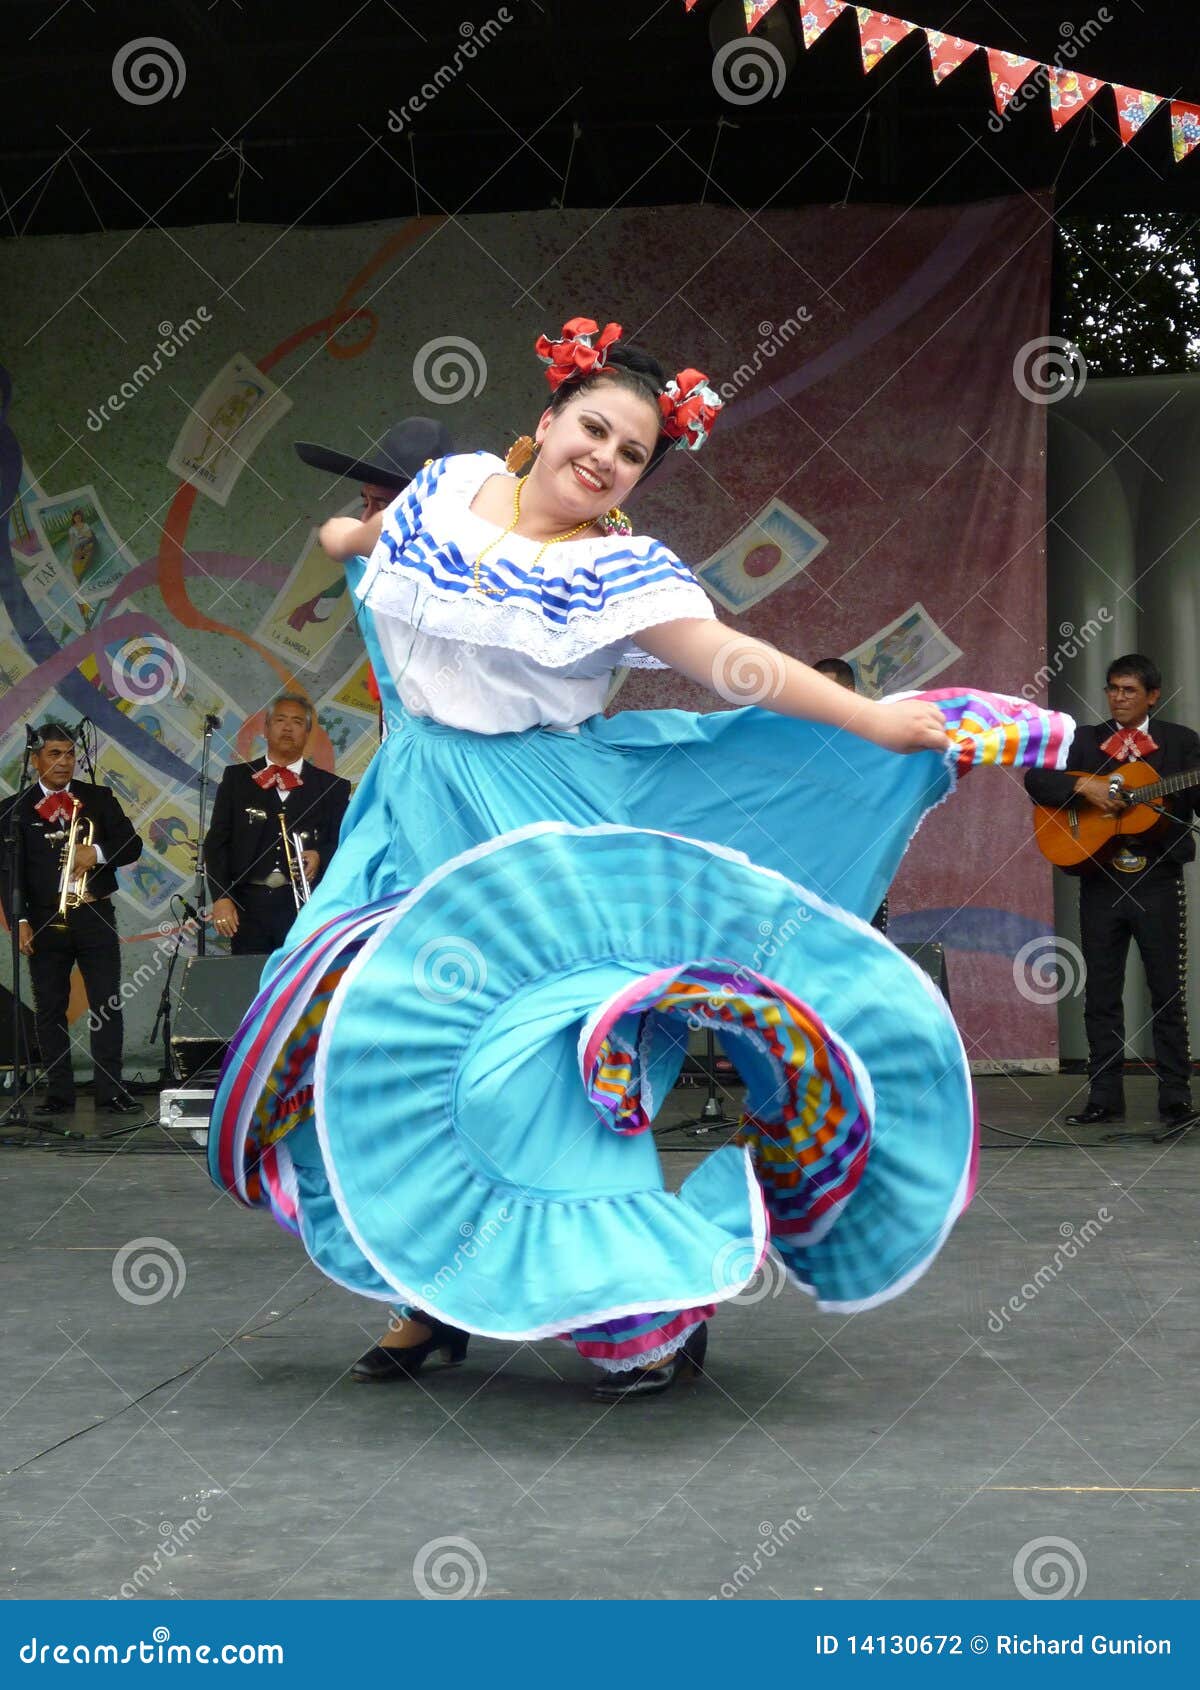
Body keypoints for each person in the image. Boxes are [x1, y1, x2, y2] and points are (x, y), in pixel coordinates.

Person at [208, 315, 1071, 1401]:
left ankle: (643, 1303)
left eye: (631, 452)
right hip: (408, 810)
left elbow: (729, 660)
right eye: (595, 428)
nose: (606, 457)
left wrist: (878, 724)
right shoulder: (447, 491)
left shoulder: (621, 574)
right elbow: (378, 545)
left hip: (538, 820)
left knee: (549, 1063)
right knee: (357, 1033)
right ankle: (437, 1291)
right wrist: (346, 536)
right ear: (547, 420)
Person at [1024, 654, 1200, 1129]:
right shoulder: (1084, 740)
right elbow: (1036, 780)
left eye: (1128, 690)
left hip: (1158, 880)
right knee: (1101, 990)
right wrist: (1085, 786)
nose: (1118, 698)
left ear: (1152, 696)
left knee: (1167, 991)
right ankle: (1104, 1097)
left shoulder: (1181, 743)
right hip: (1102, 882)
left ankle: (1176, 1100)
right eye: (1113, 689)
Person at [0, 723, 143, 1117]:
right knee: (49, 1008)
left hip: (95, 913)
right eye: (54, 754)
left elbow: (132, 845)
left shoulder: (97, 797)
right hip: (44, 919)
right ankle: (59, 1093)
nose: (64, 762)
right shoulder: (14, 809)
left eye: (69, 754)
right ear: (35, 759)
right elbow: (8, 872)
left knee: (106, 1003)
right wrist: (21, 921)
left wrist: (94, 853)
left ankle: (111, 1091)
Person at [205, 695, 351, 954]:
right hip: (247, 908)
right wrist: (221, 897)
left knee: (300, 987)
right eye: (280, 720)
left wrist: (320, 855)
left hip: (306, 909)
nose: (287, 727)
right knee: (251, 986)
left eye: (296, 722)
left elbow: (346, 845)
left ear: (307, 733)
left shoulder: (332, 787)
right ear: (266, 729)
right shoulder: (237, 779)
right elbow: (217, 844)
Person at [814, 656, 889, 934]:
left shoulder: (872, 737)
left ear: (849, 693)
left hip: (860, 864)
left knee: (862, 944)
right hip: (811, 864)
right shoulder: (801, 736)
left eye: (826, 692)